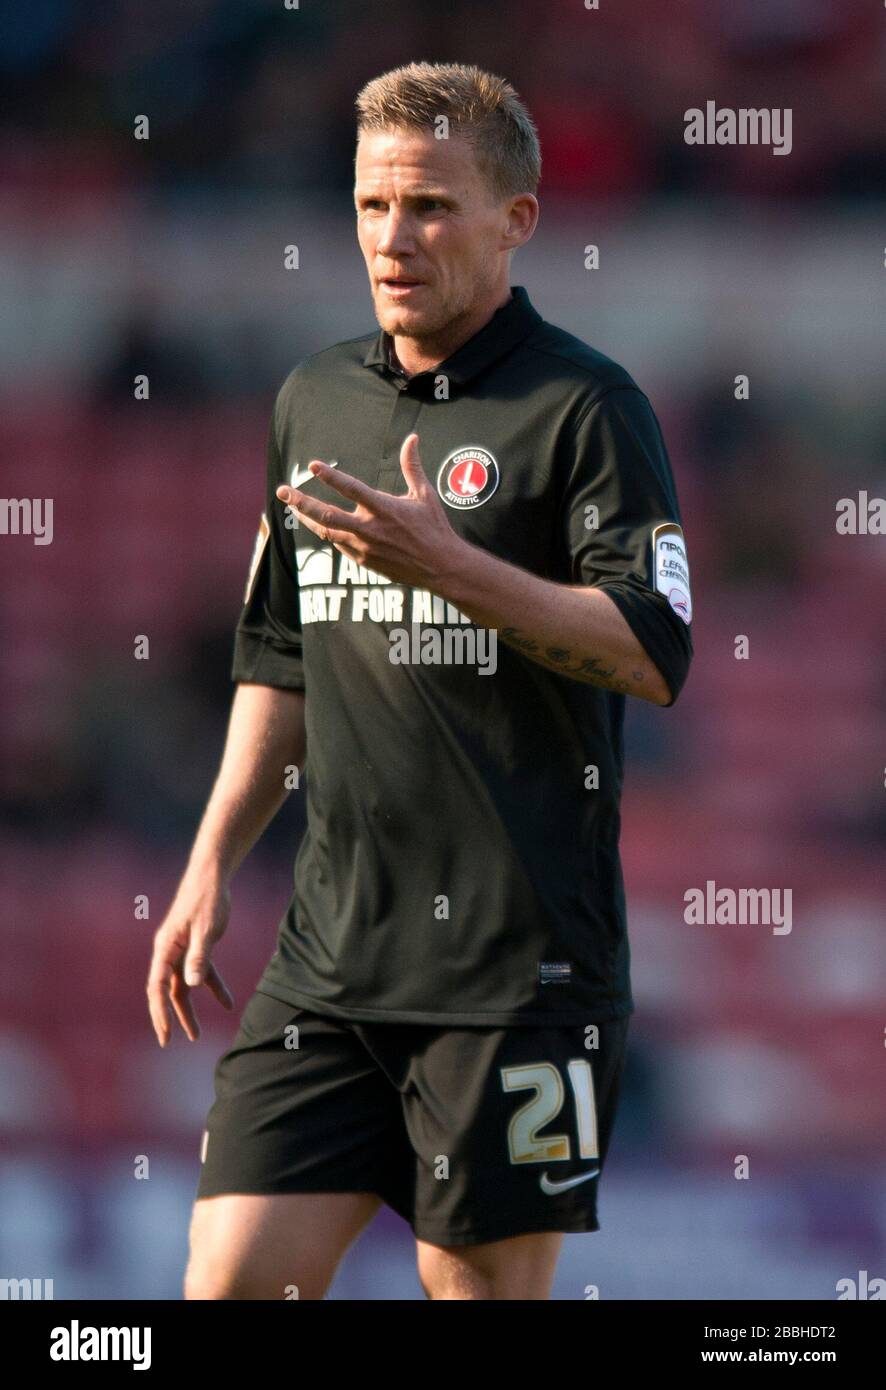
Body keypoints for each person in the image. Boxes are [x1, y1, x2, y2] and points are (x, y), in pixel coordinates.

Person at [147, 61, 693, 1301]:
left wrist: (448, 566)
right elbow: (282, 656)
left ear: (519, 220)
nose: (394, 239)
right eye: (371, 205)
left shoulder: (585, 409)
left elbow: (652, 648)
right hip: (328, 960)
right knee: (228, 1284)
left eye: (433, 207)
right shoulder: (313, 400)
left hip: (517, 972)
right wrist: (211, 859)